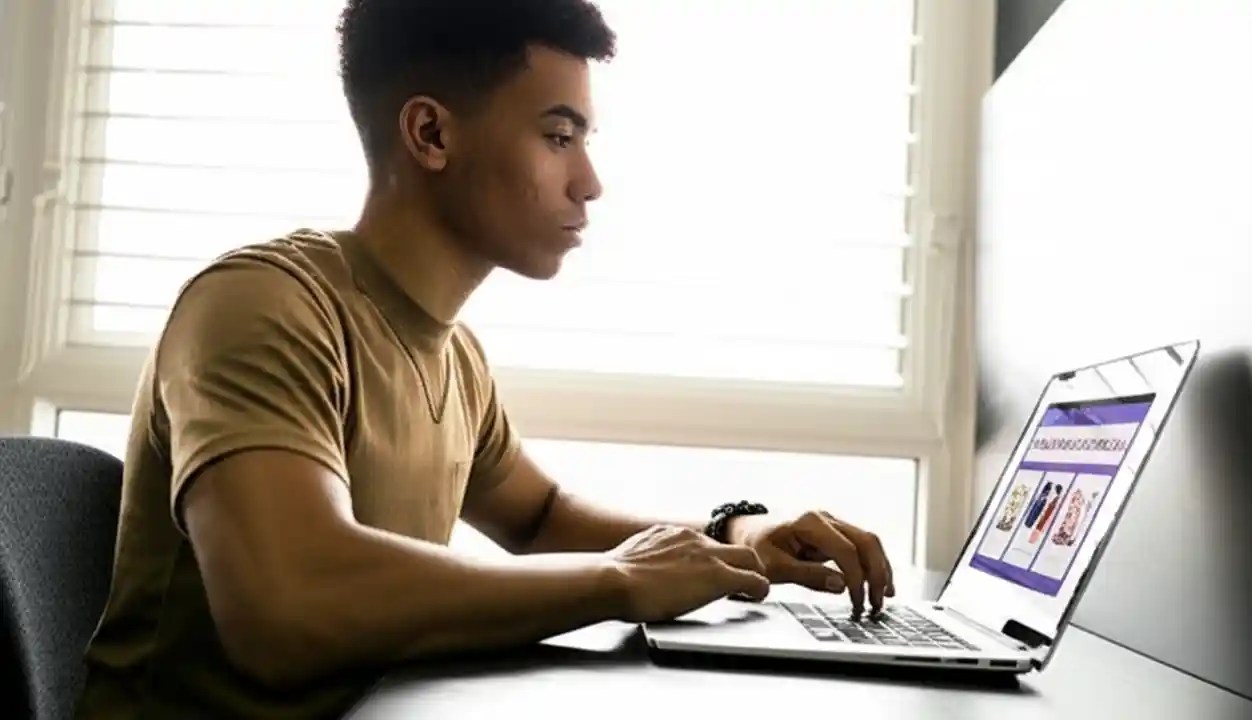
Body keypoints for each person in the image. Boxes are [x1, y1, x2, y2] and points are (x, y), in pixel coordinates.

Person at [75, 1, 895, 717]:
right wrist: (615, 581)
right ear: (431, 132)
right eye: (557, 135)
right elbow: (286, 607)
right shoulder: (264, 307)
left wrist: (739, 537)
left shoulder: (454, 355)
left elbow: (540, 522)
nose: (590, 182)